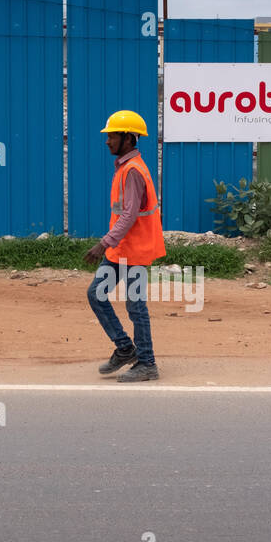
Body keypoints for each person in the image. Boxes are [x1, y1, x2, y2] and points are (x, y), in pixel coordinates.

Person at [83, 109, 166, 382]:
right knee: (96, 294)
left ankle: (147, 363)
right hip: (121, 250)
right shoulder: (127, 166)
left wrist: (101, 244)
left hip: (134, 250)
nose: (107, 141)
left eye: (112, 136)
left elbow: (129, 215)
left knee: (135, 306)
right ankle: (125, 348)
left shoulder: (132, 171)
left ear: (128, 138)